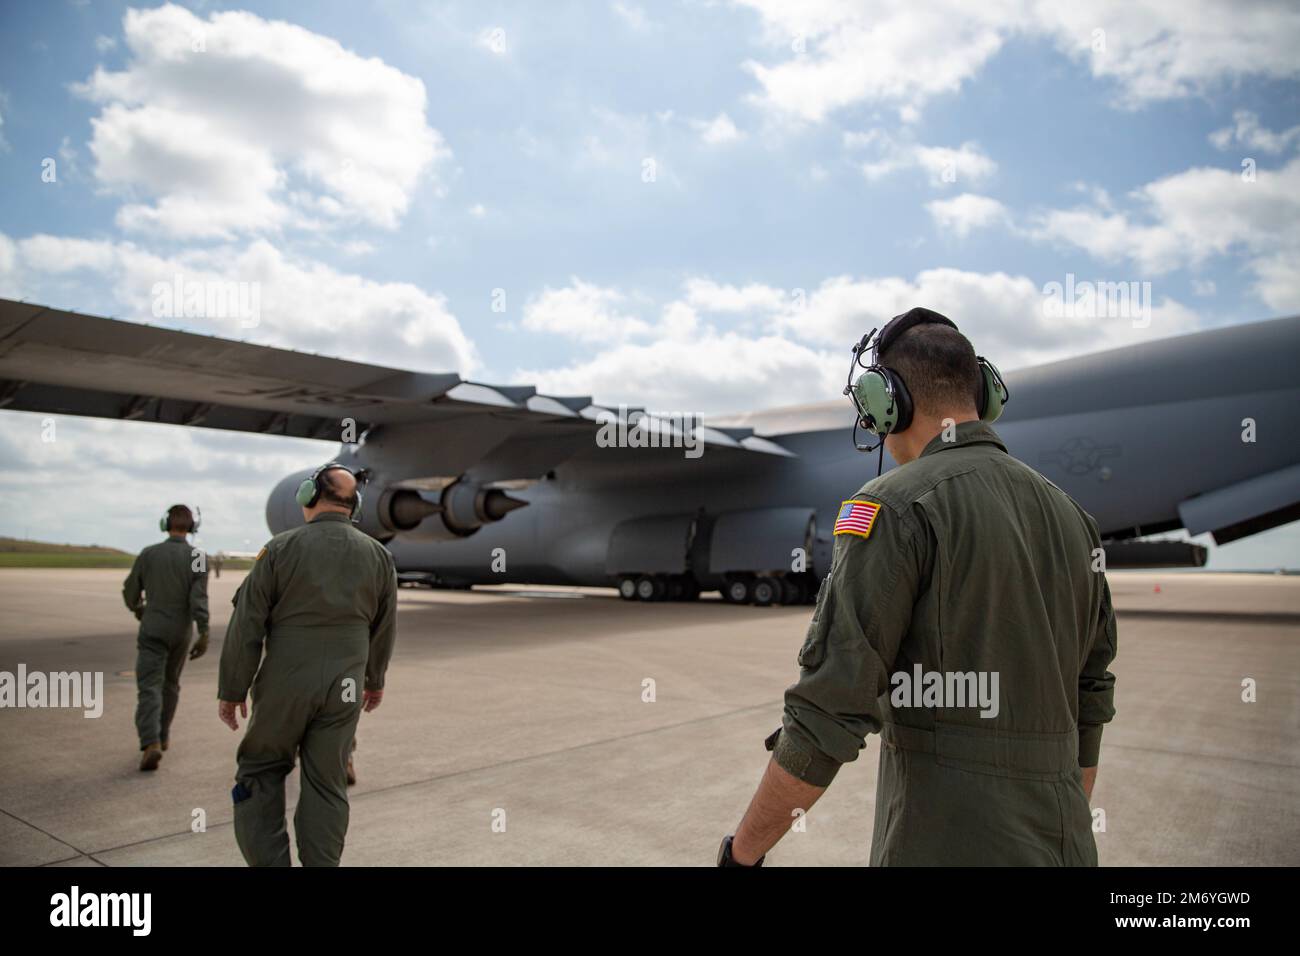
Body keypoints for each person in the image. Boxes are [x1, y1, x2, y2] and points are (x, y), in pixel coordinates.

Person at [719, 307, 1118, 867]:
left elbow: (829, 711)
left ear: (888, 401)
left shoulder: (891, 506)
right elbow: (1090, 700)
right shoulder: (1074, 519)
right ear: (985, 394)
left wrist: (741, 856)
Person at [217, 463, 396, 867]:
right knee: (327, 782)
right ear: (355, 506)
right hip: (345, 686)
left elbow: (246, 624)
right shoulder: (380, 556)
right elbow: (385, 628)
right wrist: (375, 680)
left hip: (286, 681)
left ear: (308, 497)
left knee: (261, 771)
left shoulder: (279, 548)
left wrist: (232, 689)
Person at [122, 504, 210, 771]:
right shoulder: (198, 557)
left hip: (153, 628)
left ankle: (150, 743)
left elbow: (130, 590)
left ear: (165, 524)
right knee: (170, 684)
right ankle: (163, 735)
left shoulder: (149, 554)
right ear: (192, 527)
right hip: (180, 632)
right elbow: (199, 599)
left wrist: (139, 609)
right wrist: (204, 631)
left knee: (149, 686)